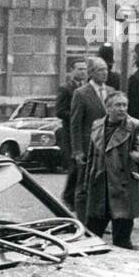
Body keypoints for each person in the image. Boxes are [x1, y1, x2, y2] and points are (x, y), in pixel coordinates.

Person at [83, 89, 139, 248]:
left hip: (123, 187)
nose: (122, 109)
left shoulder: (135, 125)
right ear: (108, 108)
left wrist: (132, 156)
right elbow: (91, 156)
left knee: (121, 239)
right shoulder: (97, 125)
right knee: (91, 235)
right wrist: (87, 182)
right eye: (118, 105)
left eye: (124, 105)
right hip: (100, 185)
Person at [69, 56, 111, 220]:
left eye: (106, 69)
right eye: (100, 70)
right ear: (91, 72)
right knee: (83, 185)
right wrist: (77, 150)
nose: (105, 73)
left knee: (104, 184)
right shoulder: (81, 93)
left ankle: (99, 219)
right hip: (88, 146)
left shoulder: (112, 92)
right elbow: (75, 124)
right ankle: (82, 219)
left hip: (108, 147)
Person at [54, 57, 87, 207]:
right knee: (74, 166)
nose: (83, 72)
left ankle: (74, 196)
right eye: (79, 69)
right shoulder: (66, 89)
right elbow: (60, 111)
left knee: (79, 167)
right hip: (70, 133)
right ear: (71, 71)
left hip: (83, 132)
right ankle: (68, 197)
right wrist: (76, 116)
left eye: (84, 69)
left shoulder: (87, 88)